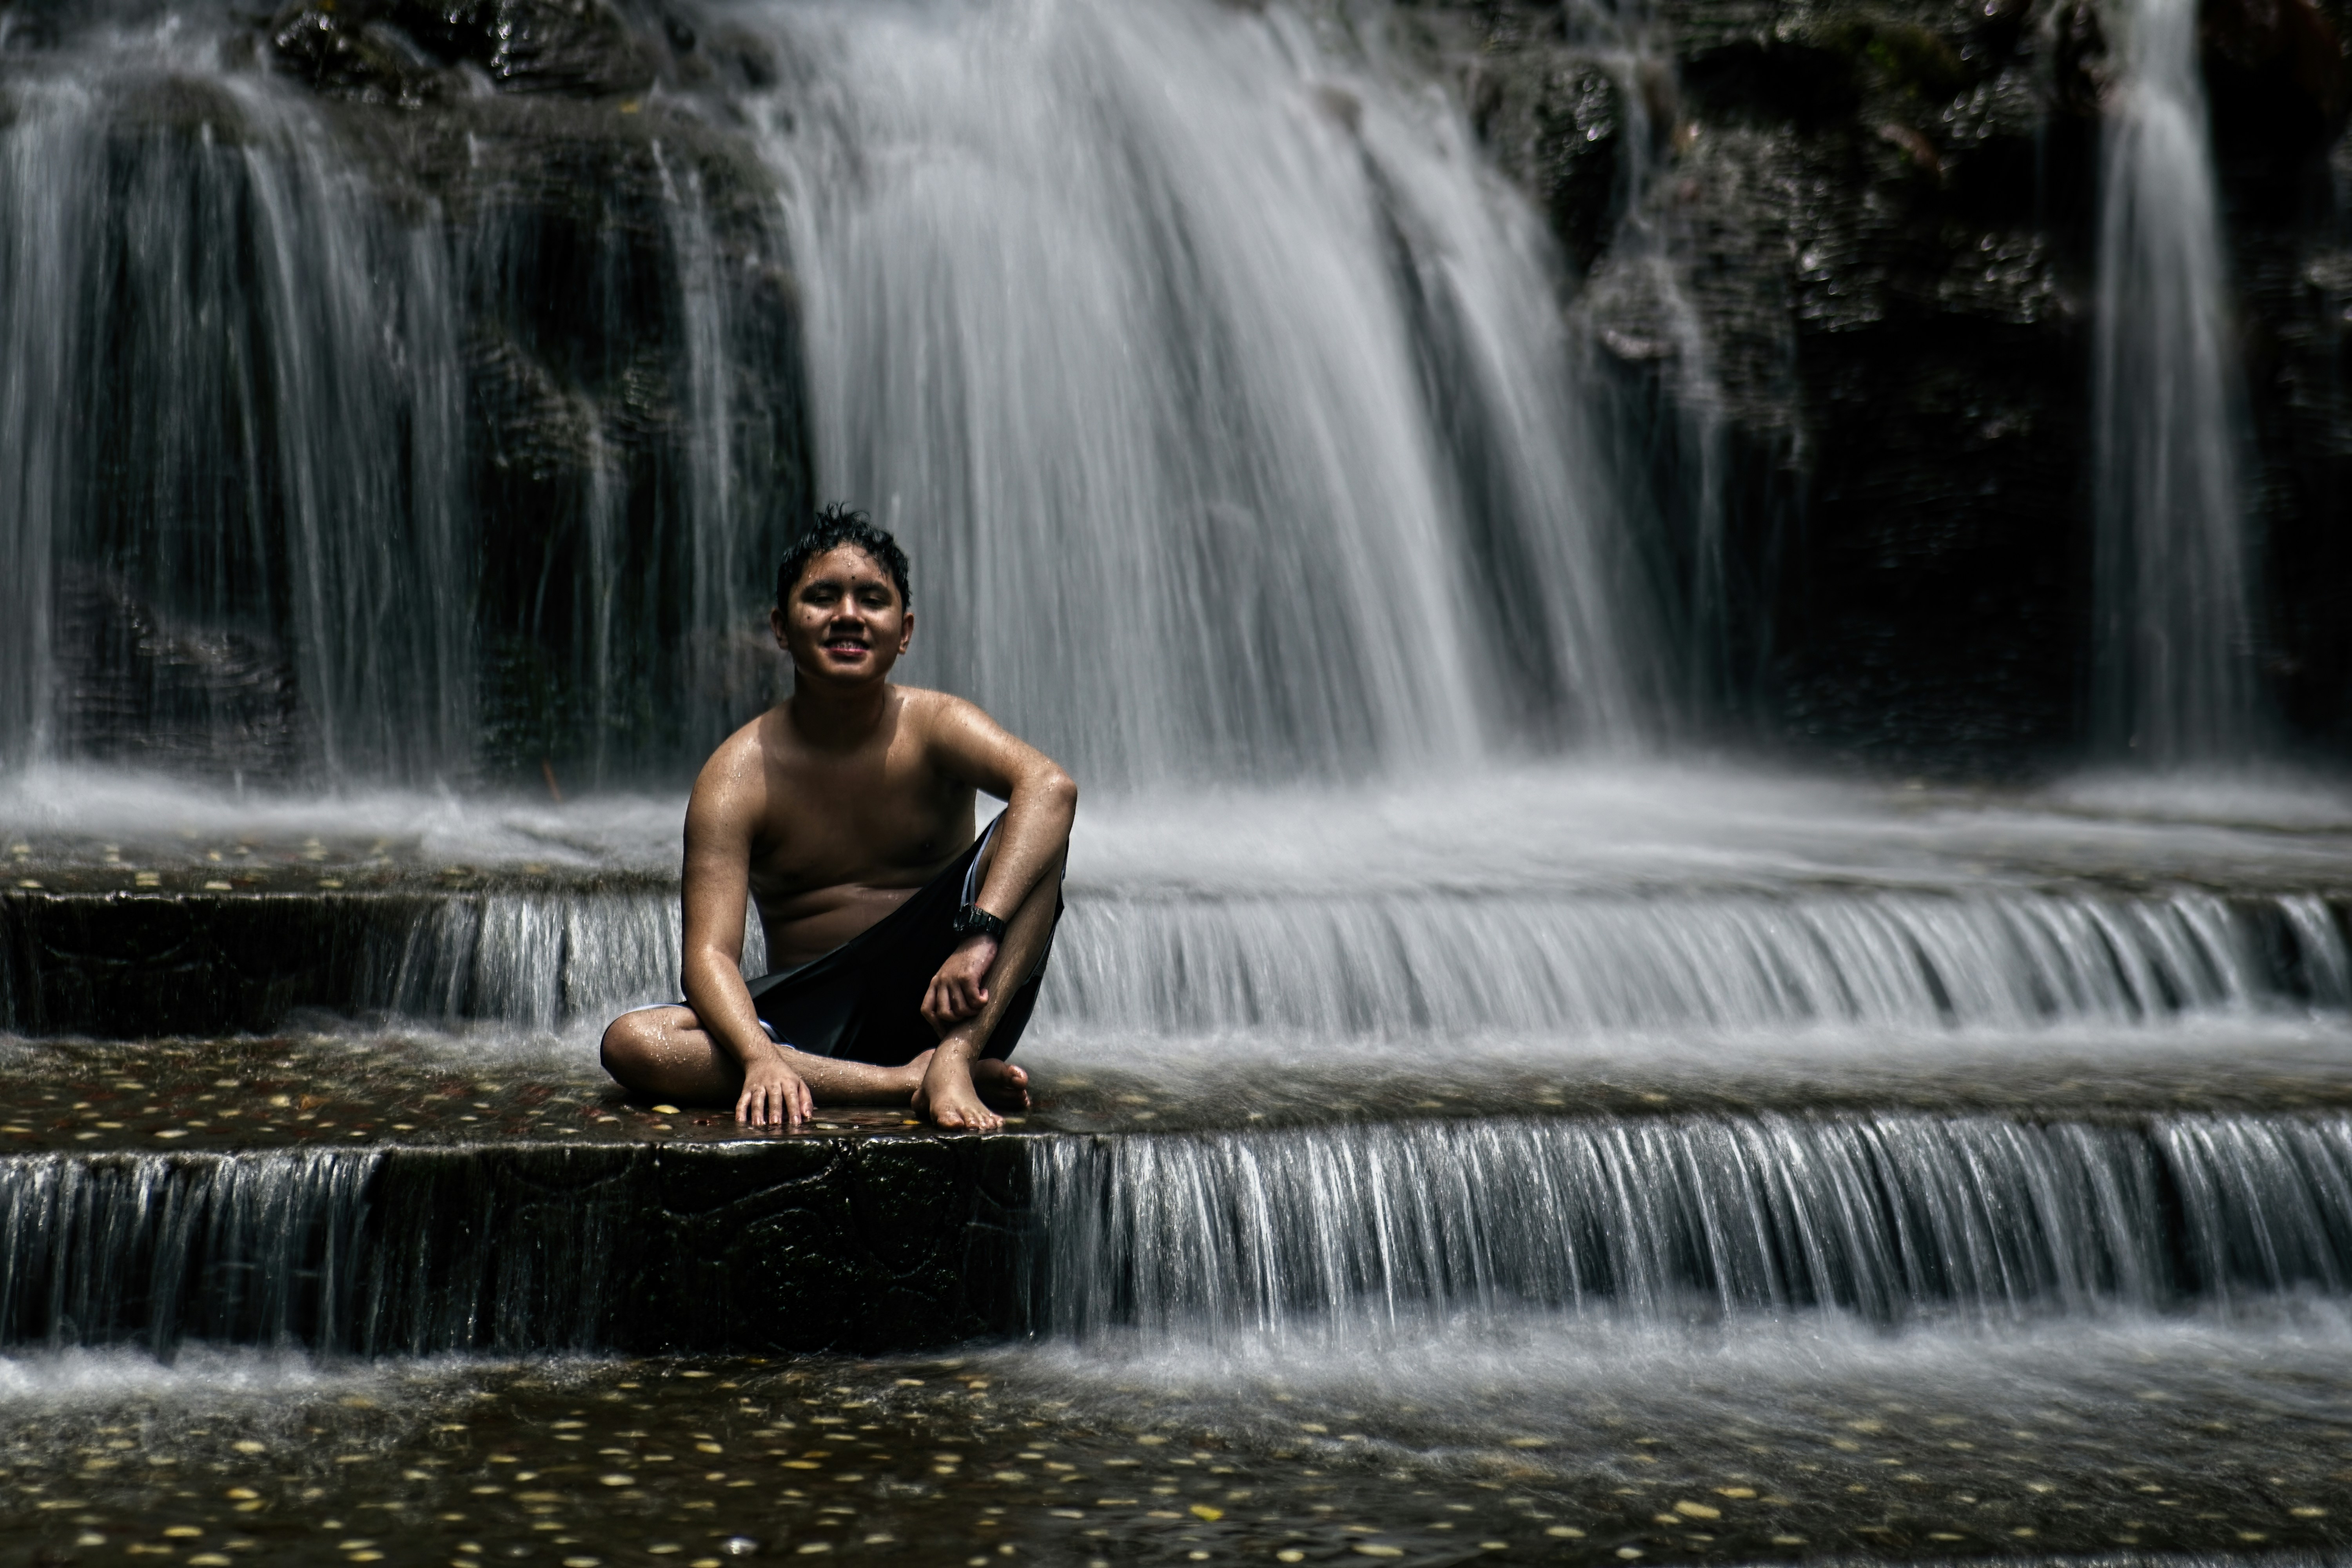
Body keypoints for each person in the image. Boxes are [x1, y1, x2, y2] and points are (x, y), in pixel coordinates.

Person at [599, 505, 1076, 1132]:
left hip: (954, 999)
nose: (847, 615)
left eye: (871, 599)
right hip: (808, 1024)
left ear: (904, 631)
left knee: (1043, 835)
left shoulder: (938, 726)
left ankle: (955, 1060)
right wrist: (757, 1057)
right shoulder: (737, 773)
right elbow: (709, 956)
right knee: (634, 1042)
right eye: (822, 597)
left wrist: (979, 934)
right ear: (781, 627)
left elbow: (1051, 788)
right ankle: (905, 1082)